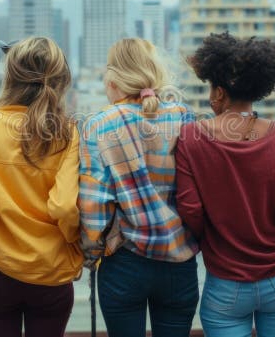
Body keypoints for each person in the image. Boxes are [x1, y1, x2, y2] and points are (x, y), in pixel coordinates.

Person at [175, 32, 275, 337]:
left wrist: (218, 238)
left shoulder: (190, 139)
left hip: (225, 281)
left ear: (219, 93)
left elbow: (190, 209)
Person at [0, 37, 82, 337]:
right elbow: (64, 205)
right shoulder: (68, 132)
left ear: (10, 76)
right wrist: (75, 244)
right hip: (52, 274)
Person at [79, 38, 199, 337]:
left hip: (124, 261)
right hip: (179, 259)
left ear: (113, 77)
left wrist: (91, 254)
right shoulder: (183, 116)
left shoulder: (100, 124)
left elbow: (94, 205)